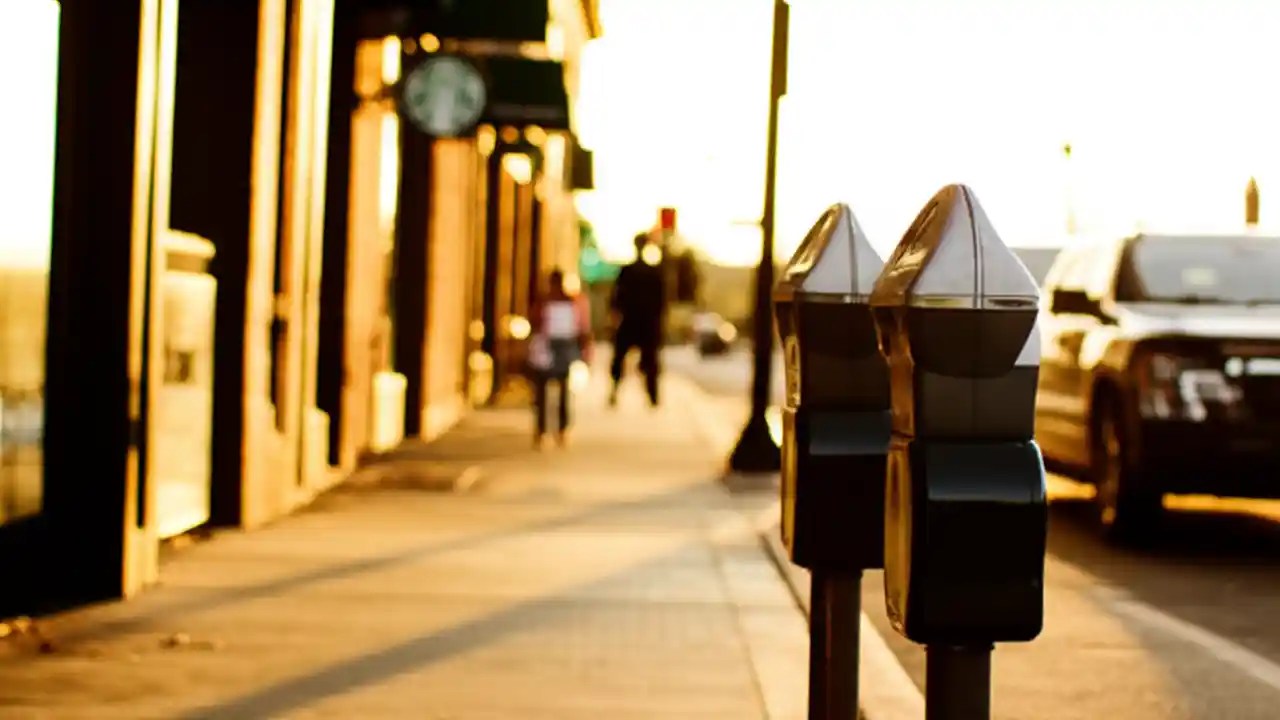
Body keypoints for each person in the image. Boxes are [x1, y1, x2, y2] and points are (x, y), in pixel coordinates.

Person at [527, 268, 592, 448]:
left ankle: (543, 431)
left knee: (544, 392)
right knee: (560, 392)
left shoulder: (546, 301)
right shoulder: (569, 302)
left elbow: (535, 322)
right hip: (560, 347)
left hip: (549, 348)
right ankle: (559, 431)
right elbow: (581, 328)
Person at [608, 232, 667, 407]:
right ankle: (619, 391)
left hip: (642, 322)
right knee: (622, 359)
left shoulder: (648, 272)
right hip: (634, 321)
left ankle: (652, 395)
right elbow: (617, 297)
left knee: (648, 362)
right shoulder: (632, 271)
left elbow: (660, 301)